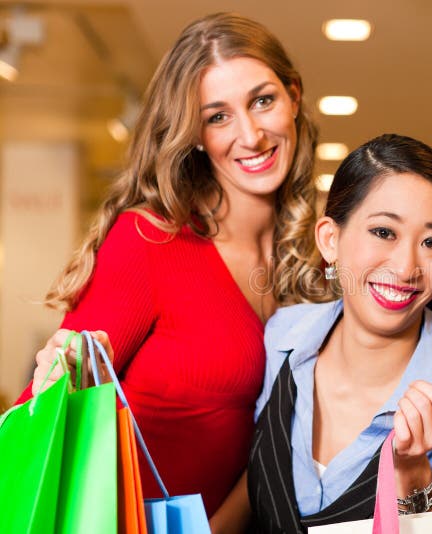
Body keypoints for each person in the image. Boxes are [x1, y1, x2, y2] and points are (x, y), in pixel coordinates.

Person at [19, 12, 326, 531]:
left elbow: (280, 451)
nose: (250, 135)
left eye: (262, 100)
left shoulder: (315, 258)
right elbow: (47, 407)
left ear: (293, 97)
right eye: (218, 116)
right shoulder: (152, 241)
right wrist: (56, 372)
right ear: (196, 135)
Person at [247, 134, 432, 533]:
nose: (407, 267)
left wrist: (412, 473)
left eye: (431, 242)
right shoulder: (284, 336)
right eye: (384, 232)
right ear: (330, 239)